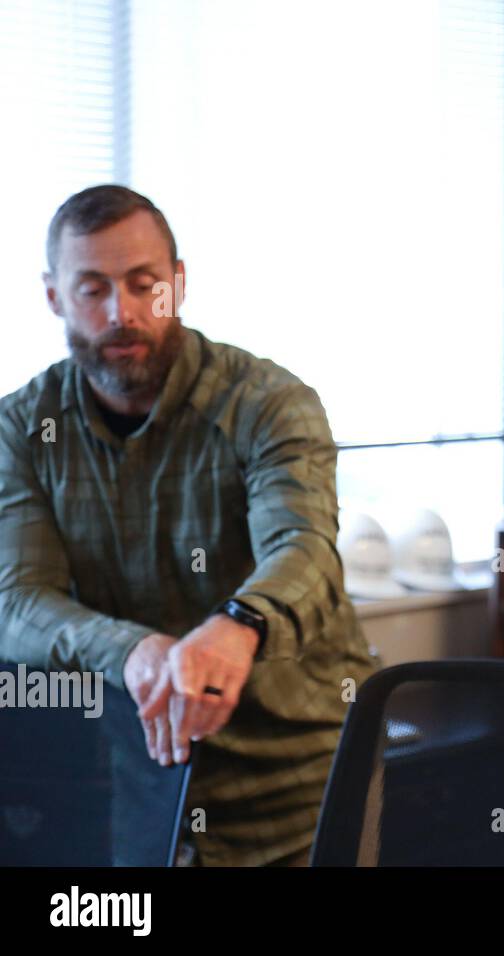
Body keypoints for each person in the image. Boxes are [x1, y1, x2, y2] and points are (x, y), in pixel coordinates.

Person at [0, 185, 376, 866]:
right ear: (54, 297)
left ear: (178, 283)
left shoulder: (270, 403)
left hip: (297, 777)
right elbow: (17, 602)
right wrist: (133, 651)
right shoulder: (23, 429)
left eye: (145, 285)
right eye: (92, 289)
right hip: (127, 778)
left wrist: (239, 622)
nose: (122, 313)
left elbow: (305, 549)